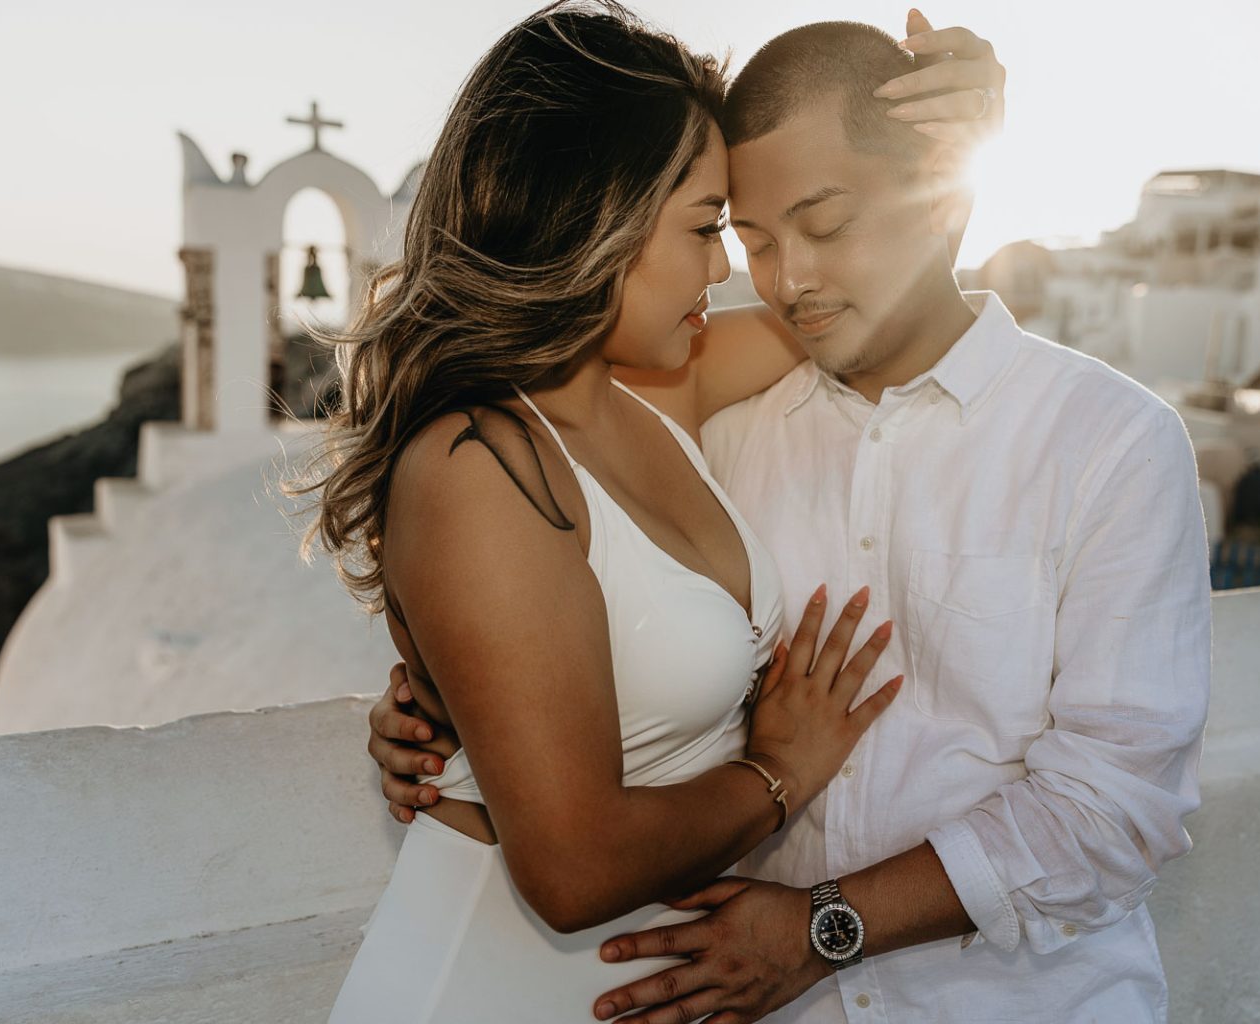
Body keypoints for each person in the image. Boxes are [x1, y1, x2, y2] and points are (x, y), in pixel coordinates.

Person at [372, 17, 1209, 1024]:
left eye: (825, 224)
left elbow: (1113, 804)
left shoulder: (1108, 443)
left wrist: (824, 922)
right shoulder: (713, 424)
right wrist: (466, 717)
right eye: (744, 235)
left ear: (944, 197)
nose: (783, 280)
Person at [309, 3, 1004, 1021]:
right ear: (602, 219)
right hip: (494, 990)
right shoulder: (476, 464)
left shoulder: (655, 391)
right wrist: (780, 768)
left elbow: (876, 297)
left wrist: (956, 145)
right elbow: (572, 870)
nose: (725, 268)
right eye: (707, 229)